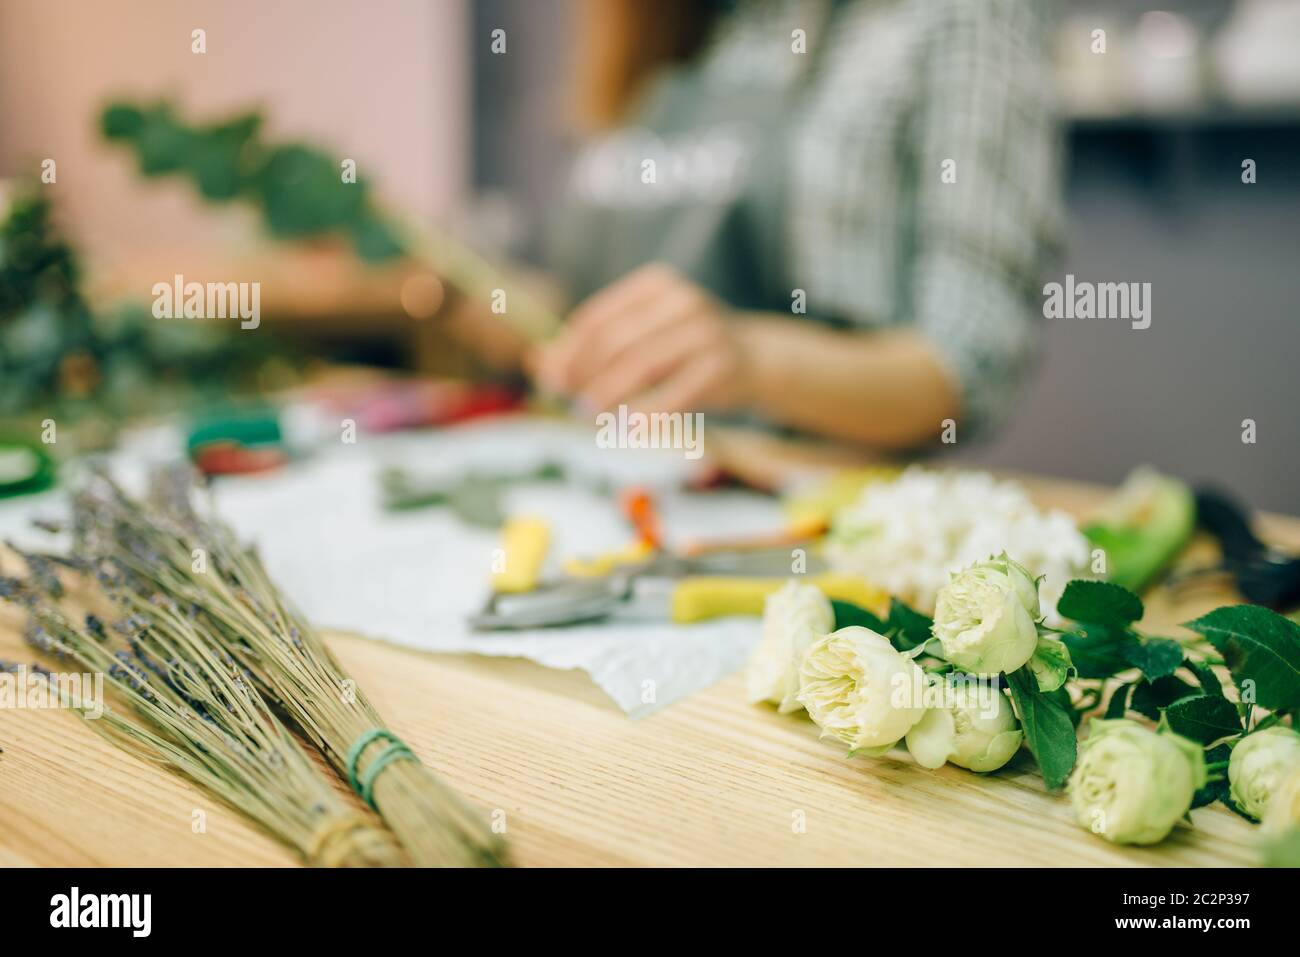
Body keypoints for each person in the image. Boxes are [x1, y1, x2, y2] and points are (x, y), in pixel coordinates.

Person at [452, 0, 1063, 451]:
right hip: (613, 489)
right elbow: (594, 301)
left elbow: (963, 367)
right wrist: (465, 287)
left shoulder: (956, 19)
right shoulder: (668, 27)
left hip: (809, 535)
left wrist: (751, 360)